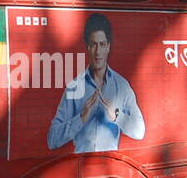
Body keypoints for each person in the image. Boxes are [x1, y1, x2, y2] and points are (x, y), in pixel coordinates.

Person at [47, 12, 145, 153]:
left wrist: (117, 115)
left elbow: (140, 131)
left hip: (111, 166)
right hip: (80, 169)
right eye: (93, 44)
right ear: (87, 47)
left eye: (102, 44)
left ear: (108, 47)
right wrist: (80, 118)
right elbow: (52, 139)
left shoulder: (122, 86)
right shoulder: (74, 87)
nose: (98, 52)